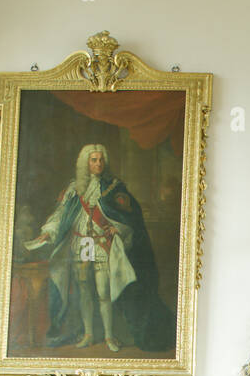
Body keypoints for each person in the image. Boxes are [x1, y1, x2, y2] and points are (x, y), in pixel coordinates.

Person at [23, 143, 176, 354]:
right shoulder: (73, 189)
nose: (98, 164)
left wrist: (117, 227)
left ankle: (109, 336)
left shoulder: (113, 187)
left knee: (104, 291)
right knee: (84, 289)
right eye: (94, 160)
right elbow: (60, 216)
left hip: (101, 243)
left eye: (101, 160)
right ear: (85, 163)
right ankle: (87, 334)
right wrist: (49, 231)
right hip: (82, 244)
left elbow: (129, 217)